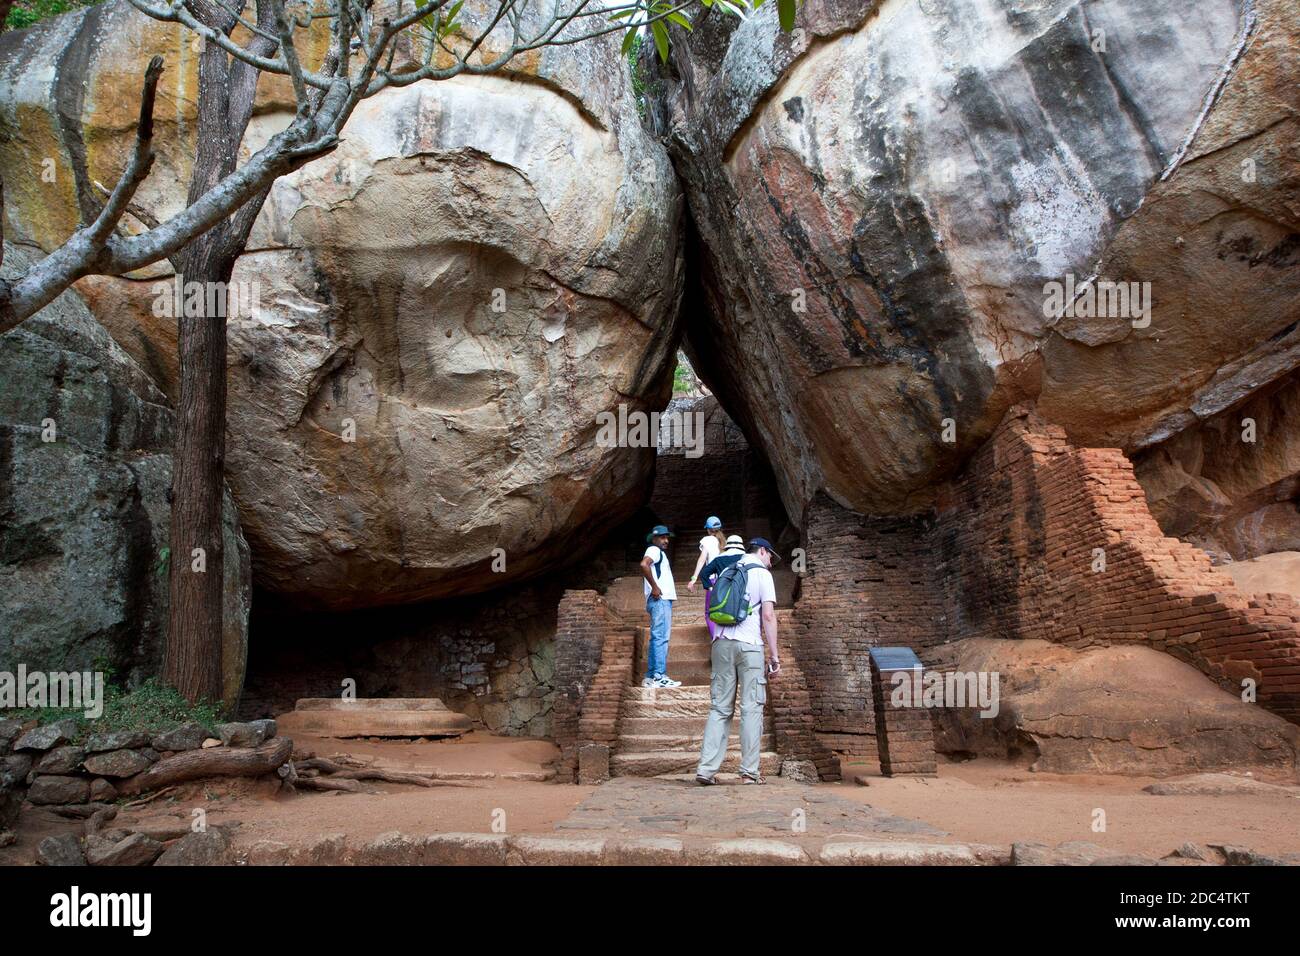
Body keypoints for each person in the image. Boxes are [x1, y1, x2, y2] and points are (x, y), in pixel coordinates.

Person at [695, 538, 781, 785]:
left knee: (719, 708)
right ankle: (749, 772)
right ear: (762, 551)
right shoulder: (762, 574)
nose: (771, 561)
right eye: (770, 555)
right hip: (749, 645)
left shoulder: (726, 568)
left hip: (721, 643)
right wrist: (774, 656)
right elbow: (768, 615)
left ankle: (706, 770)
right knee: (752, 708)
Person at [640, 525, 681, 688]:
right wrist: (655, 587)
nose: (666, 540)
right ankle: (659, 676)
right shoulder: (654, 550)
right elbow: (644, 564)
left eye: (667, 537)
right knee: (661, 637)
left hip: (657, 600)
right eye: (662, 537)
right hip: (660, 600)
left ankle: (650, 677)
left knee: (656, 637)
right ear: (654, 538)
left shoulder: (659, 553)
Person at [696, 534, 746, 638]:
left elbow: (704, 573)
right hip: (742, 593)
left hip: (724, 594)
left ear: (727, 546)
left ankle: (718, 637)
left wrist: (711, 588)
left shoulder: (719, 558)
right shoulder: (746, 557)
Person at [687, 516, 727, 638]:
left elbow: (701, 560)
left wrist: (693, 579)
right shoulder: (724, 542)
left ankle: (716, 641)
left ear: (708, 529)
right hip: (725, 580)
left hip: (713, 580)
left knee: (709, 613)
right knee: (723, 612)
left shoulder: (707, 540)